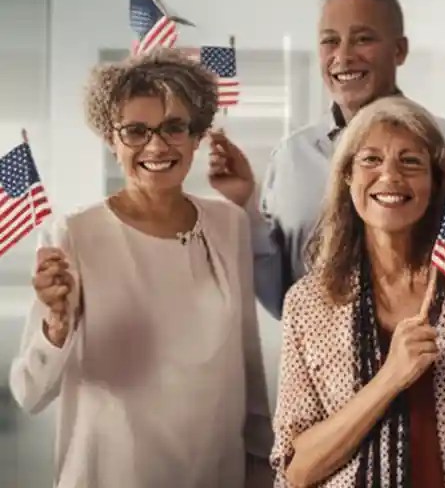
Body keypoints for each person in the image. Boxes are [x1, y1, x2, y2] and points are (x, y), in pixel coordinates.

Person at [8, 48, 273, 487]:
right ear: (112, 141)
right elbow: (29, 393)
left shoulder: (229, 222)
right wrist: (56, 325)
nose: (156, 145)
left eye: (173, 127)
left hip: (214, 471)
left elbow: (246, 358)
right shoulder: (72, 233)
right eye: (135, 131)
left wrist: (262, 460)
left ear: (197, 135)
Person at [270, 96, 445, 487]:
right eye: (370, 159)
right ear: (347, 177)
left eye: (410, 162)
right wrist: (390, 377)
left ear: (436, 182)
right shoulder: (308, 304)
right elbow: (297, 470)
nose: (390, 176)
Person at [207, 0, 445, 318]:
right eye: (330, 41)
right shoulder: (291, 159)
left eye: (363, 39)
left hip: (443, 361)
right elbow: (281, 296)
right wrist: (245, 203)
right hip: (323, 364)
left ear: (399, 50)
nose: (343, 56)